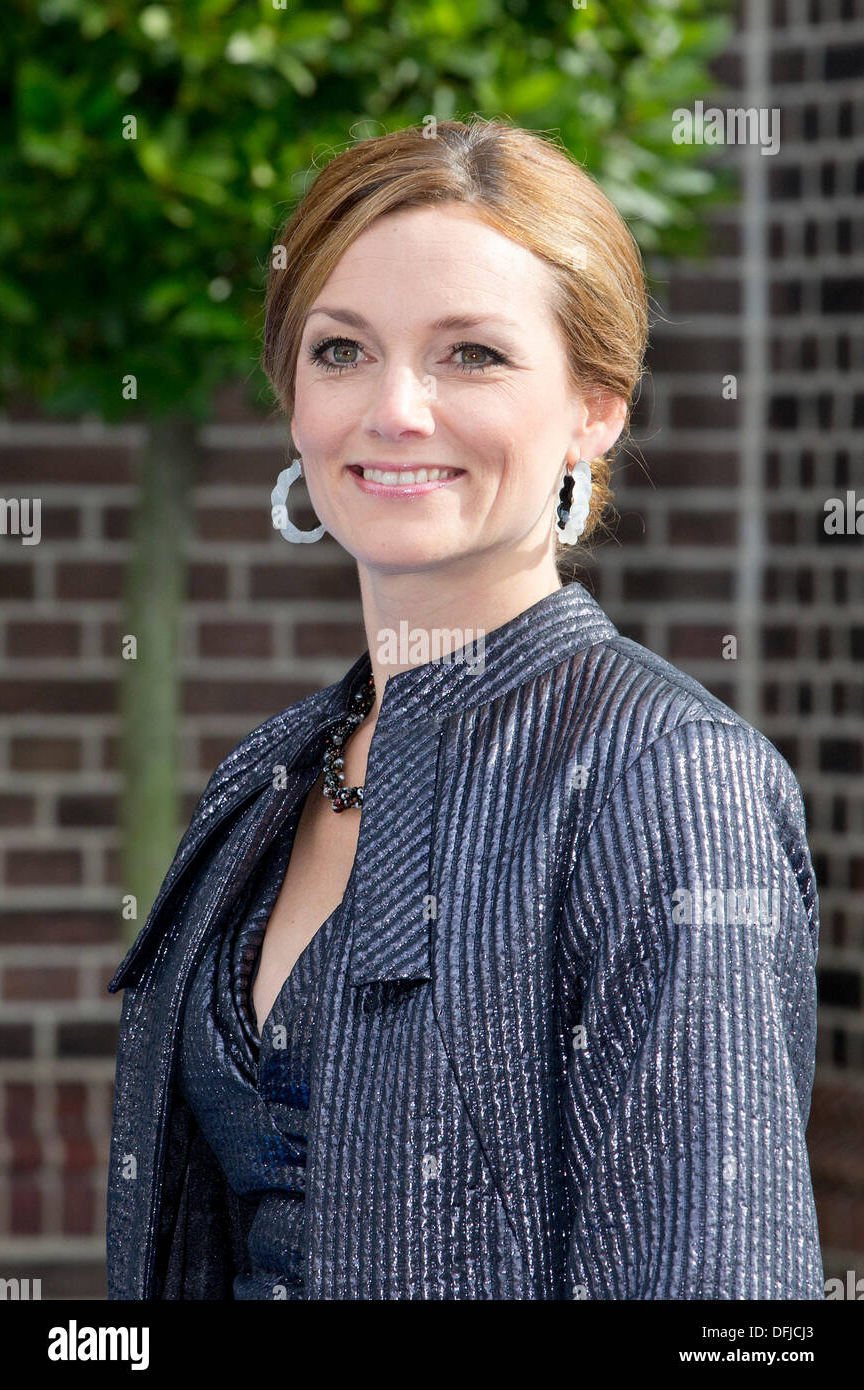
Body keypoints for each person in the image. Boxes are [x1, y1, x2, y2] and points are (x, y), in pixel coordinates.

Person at [107, 117, 824, 1300]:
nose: (394, 410)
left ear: (594, 407)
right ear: (292, 397)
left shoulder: (668, 779)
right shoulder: (268, 776)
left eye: (471, 356)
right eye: (341, 351)